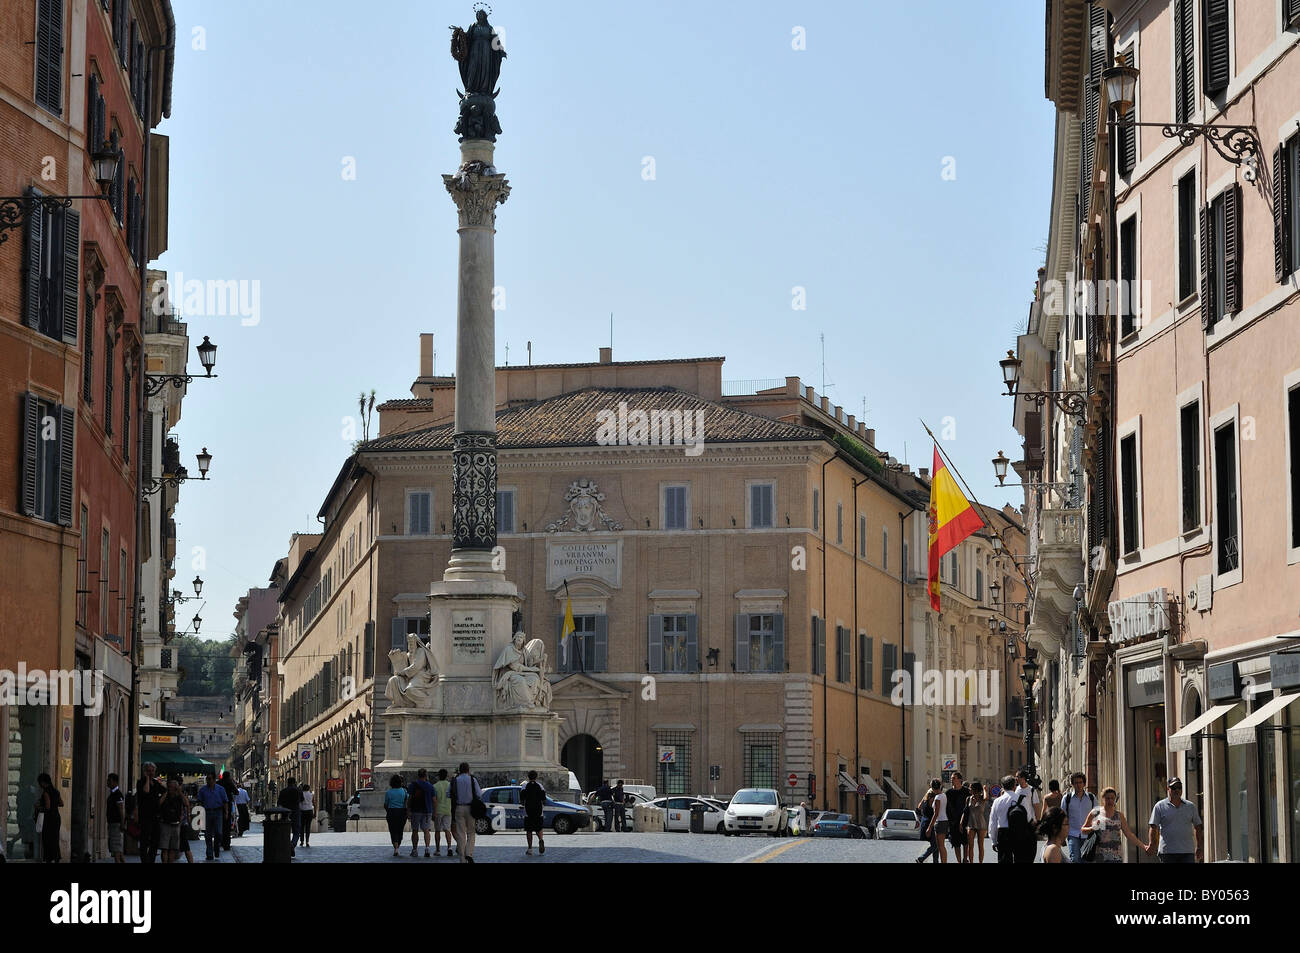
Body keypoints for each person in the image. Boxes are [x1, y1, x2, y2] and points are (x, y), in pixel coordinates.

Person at [1081, 787, 1147, 863]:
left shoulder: (1119, 815)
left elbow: (1129, 834)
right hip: (1099, 856)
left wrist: (1143, 846)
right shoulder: (1095, 812)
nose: (1110, 801)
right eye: (1107, 798)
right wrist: (1093, 828)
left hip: (1116, 856)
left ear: (1115, 799)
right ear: (1103, 799)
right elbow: (1083, 830)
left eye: (1112, 798)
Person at [1147, 777, 1203, 863]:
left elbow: (1198, 827)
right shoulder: (1160, 806)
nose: (1177, 790)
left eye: (1179, 787)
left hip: (1187, 852)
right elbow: (1153, 827)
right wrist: (1152, 844)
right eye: (1173, 788)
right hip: (1167, 852)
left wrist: (1199, 846)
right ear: (1168, 788)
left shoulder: (1190, 806)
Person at [133, 762, 166, 863]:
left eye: (152, 771)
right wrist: (147, 778)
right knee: (144, 840)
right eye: (149, 771)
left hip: (155, 816)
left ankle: (151, 860)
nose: (151, 773)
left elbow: (165, 791)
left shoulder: (156, 783)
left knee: (155, 841)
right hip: (145, 816)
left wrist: (159, 801)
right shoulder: (141, 782)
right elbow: (146, 791)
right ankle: (144, 860)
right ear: (145, 771)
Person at [1009, 769, 1043, 863]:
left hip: (1030, 822)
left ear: (1023, 778)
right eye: (1015, 777)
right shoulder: (1015, 789)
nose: (1016, 778)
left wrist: (1038, 820)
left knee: (1031, 845)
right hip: (1019, 823)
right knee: (1019, 846)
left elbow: (1036, 805)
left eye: (1017, 777)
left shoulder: (1031, 790)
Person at [451, 762, 483, 863]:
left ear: (459, 770)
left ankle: (462, 858)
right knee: (471, 832)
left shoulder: (455, 780)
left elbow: (449, 793)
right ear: (468, 770)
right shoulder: (472, 780)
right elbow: (479, 794)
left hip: (459, 808)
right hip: (471, 808)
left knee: (461, 833)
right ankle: (469, 853)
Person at [1062, 772, 1096, 863]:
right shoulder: (1066, 798)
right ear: (1072, 784)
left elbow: (1098, 815)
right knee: (1075, 859)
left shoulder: (1091, 798)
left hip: (1088, 835)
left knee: (1087, 860)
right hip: (1073, 834)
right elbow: (1062, 817)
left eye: (1080, 782)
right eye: (1076, 783)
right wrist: (1061, 835)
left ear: (1084, 784)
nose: (1078, 785)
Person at [196, 772, 230, 861]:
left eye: (210, 779)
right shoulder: (203, 790)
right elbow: (199, 802)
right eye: (207, 779)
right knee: (208, 835)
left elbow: (225, 801)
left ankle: (216, 847)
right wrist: (199, 815)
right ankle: (210, 854)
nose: (208, 781)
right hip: (206, 813)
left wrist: (226, 812)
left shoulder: (221, 789)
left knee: (219, 833)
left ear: (214, 780)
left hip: (218, 812)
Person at [987, 774, 1017, 865]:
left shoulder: (997, 801)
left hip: (1003, 832)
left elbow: (993, 822)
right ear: (1014, 786)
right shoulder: (1020, 798)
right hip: (1017, 832)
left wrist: (993, 840)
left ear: (1002, 787)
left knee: (1004, 859)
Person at [407, 769, 436, 857]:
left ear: (418, 775)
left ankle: (415, 850)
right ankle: (427, 849)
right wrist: (434, 812)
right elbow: (434, 800)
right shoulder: (430, 786)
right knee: (426, 830)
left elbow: (410, 798)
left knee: (415, 830)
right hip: (427, 811)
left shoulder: (413, 785)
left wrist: (408, 810)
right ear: (426, 775)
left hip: (416, 810)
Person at [158, 779, 187, 864]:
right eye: (170, 787)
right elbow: (159, 803)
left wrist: (180, 792)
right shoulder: (165, 795)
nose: (172, 789)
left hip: (176, 824)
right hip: (165, 824)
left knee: (173, 849)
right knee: (165, 848)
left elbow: (186, 803)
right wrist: (166, 792)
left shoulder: (179, 797)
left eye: (174, 787)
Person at [35, 773, 62, 863]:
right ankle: (56, 858)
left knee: (47, 840)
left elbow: (47, 807)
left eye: (40, 783)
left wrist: (38, 807)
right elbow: (61, 803)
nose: (39, 785)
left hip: (49, 819)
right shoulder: (56, 791)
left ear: (43, 782)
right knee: (55, 839)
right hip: (56, 817)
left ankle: (48, 859)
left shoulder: (46, 792)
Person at [945, 772, 969, 863]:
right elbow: (946, 807)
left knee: (965, 842)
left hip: (965, 821)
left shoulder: (966, 791)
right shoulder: (948, 793)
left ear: (960, 779)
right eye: (951, 778)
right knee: (956, 843)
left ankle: (965, 859)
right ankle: (959, 861)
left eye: (954, 778)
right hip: (953, 821)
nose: (952, 779)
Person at [924, 779, 949, 863]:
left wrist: (929, 827)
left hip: (940, 822)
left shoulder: (938, 797)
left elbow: (936, 813)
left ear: (932, 787)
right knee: (941, 846)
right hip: (944, 820)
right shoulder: (943, 795)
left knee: (940, 846)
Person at [522, 770, 546, 856]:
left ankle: (530, 848)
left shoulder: (525, 785)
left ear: (528, 777)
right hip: (538, 810)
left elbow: (522, 797)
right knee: (539, 828)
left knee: (529, 830)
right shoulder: (540, 786)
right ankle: (540, 839)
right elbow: (544, 799)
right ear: (536, 777)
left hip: (528, 810)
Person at [963, 781, 988, 864]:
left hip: (981, 824)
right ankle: (971, 862)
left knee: (980, 845)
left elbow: (986, 798)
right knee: (970, 846)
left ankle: (980, 862)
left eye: (971, 787)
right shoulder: (968, 798)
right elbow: (965, 811)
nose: (969, 789)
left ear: (975, 789)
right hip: (971, 823)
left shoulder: (982, 798)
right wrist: (961, 822)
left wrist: (984, 789)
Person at [277, 776, 302, 856]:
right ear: (294, 782)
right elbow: (302, 799)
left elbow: (279, 803)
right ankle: (292, 844)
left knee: (285, 831)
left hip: (285, 813)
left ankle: (287, 845)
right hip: (295, 812)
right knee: (296, 831)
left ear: (287, 783)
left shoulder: (283, 791)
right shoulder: (298, 790)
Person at [432, 768, 454, 857]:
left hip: (438, 810)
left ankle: (438, 850)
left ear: (438, 776)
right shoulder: (450, 785)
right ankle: (449, 847)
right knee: (447, 830)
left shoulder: (435, 786)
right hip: (448, 809)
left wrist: (434, 812)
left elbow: (434, 800)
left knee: (437, 830)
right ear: (446, 776)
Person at [384, 774, 408, 857]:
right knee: (400, 830)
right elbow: (407, 802)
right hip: (402, 812)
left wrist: (388, 810)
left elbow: (386, 804)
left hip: (391, 812)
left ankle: (395, 848)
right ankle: (398, 845)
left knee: (393, 830)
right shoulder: (404, 791)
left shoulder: (389, 792)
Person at [915, 788, 939, 863]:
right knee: (935, 845)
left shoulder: (924, 800)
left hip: (924, 822)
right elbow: (935, 813)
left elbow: (918, 808)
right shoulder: (932, 800)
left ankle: (936, 861)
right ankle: (921, 858)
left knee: (935, 844)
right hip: (930, 823)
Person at [106, 773, 126, 863]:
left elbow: (121, 810)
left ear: (115, 782)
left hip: (116, 824)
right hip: (112, 823)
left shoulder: (117, 794)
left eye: (109, 780)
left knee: (116, 849)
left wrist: (122, 823)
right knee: (118, 850)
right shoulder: (113, 794)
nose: (108, 782)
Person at [219, 771, 239, 850]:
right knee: (227, 825)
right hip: (227, 805)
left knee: (219, 824)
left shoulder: (218, 783)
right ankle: (226, 844)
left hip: (219, 805)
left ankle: (219, 842)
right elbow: (236, 792)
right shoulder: (229, 783)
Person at [299, 782, 315, 848]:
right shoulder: (311, 794)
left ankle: (302, 841)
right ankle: (307, 841)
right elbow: (314, 803)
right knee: (308, 827)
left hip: (302, 811)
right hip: (309, 811)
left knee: (302, 827)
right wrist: (315, 812)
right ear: (308, 789)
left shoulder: (301, 794)